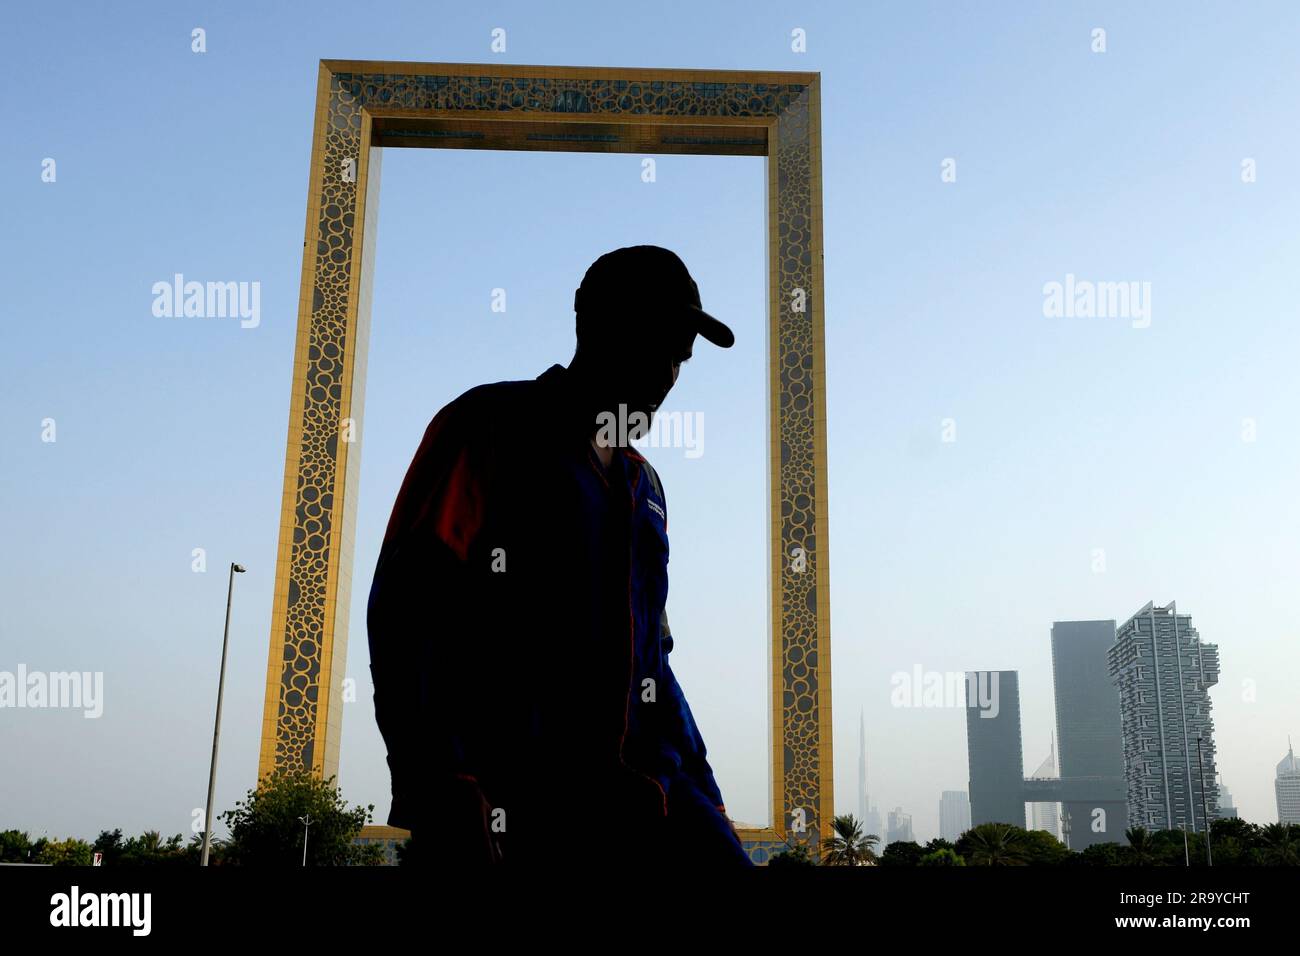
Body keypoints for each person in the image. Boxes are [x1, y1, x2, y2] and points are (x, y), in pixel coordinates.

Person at [367, 245, 752, 867]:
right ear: (598, 325)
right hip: (516, 805)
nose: (669, 376)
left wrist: (707, 800)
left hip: (648, 800)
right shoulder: (488, 427)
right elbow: (408, 606)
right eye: (659, 344)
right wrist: (440, 783)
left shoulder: (644, 487)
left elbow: (654, 664)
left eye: (682, 358)